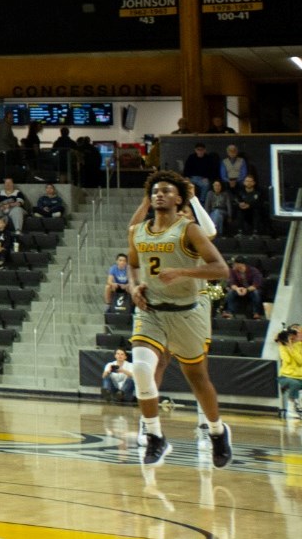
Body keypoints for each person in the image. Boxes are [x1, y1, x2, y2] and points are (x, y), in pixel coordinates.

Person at [126, 170, 233, 467]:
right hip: (151, 311)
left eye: (166, 191)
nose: (159, 195)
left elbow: (221, 269)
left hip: (187, 312)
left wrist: (183, 272)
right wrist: (134, 287)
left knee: (197, 378)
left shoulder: (189, 230)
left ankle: (216, 431)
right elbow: (132, 265)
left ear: (179, 199)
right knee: (142, 369)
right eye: (155, 191)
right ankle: (154, 435)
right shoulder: (137, 231)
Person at [276, 327, 302, 417]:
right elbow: (287, 360)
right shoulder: (282, 347)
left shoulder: (300, 345)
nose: (292, 339)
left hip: (299, 376)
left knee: (297, 383)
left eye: (293, 337)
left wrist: (292, 349)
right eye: (290, 337)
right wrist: (286, 346)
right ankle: (291, 409)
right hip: (285, 376)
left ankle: (297, 406)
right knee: (295, 384)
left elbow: (300, 361)